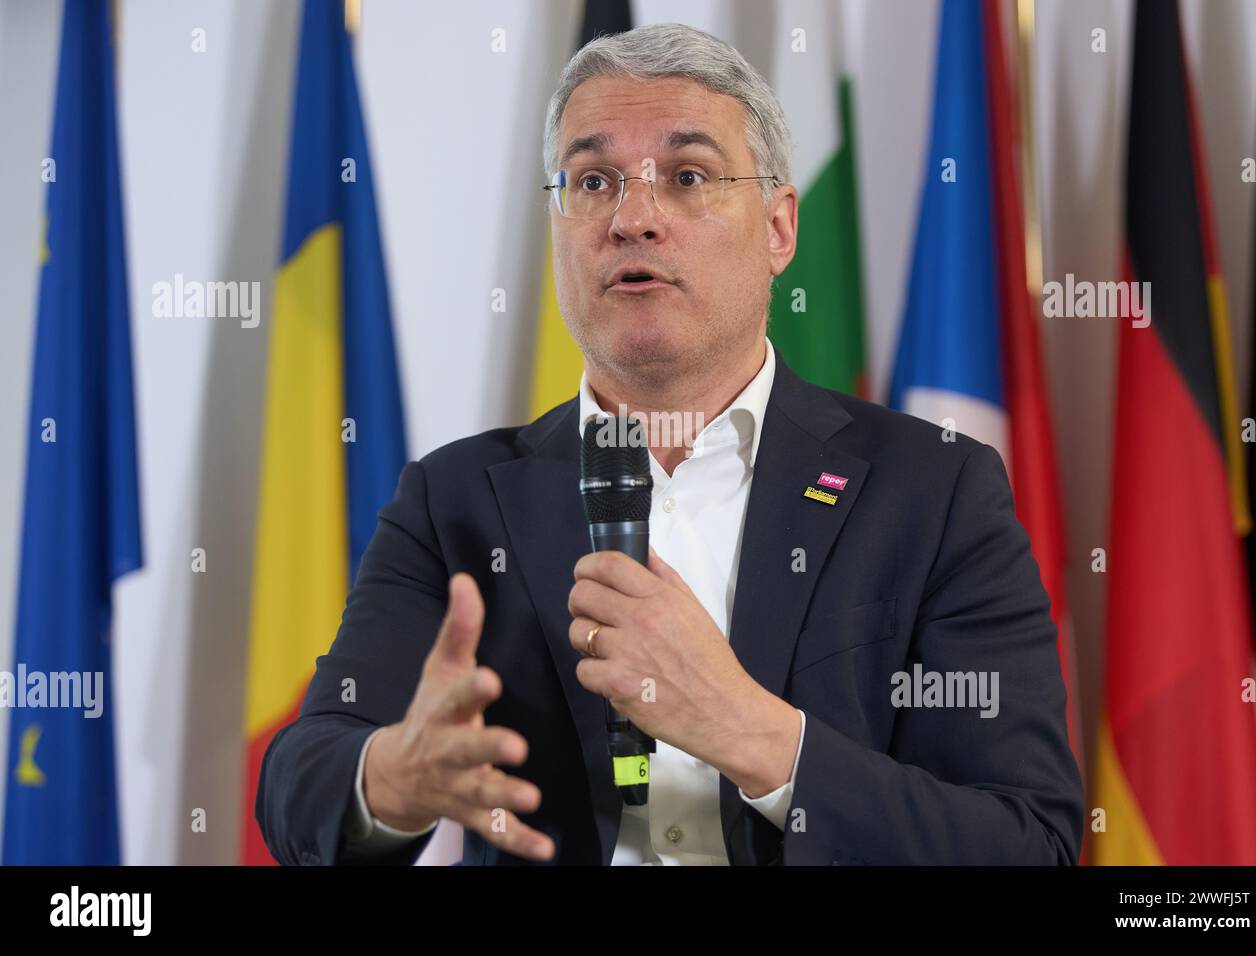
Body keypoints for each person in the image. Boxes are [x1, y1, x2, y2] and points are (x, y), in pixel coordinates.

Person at [255, 22, 1083, 866]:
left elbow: (1029, 841)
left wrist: (754, 735)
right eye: (593, 181)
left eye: (688, 176)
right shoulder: (458, 499)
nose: (633, 217)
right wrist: (390, 777)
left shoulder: (934, 490)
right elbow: (298, 781)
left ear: (779, 228)